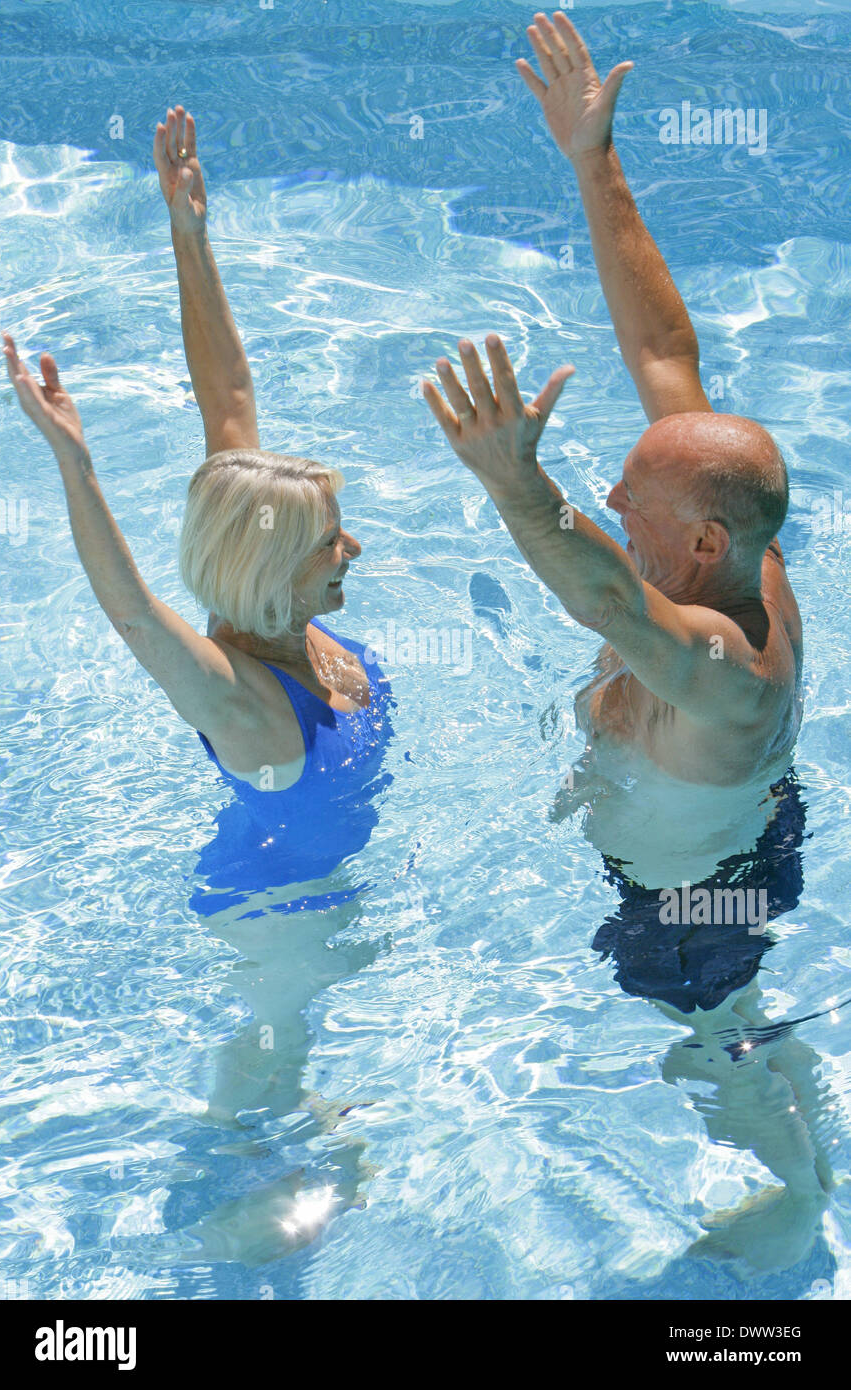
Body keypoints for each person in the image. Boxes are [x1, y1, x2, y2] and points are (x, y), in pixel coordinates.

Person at [422, 11, 825, 1270]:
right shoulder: (727, 515)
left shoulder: (718, 665)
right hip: (722, 831)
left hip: (691, 897)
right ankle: (797, 1084)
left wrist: (510, 484)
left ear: (697, 546)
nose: (609, 498)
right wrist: (590, 158)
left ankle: (797, 1187)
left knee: (707, 1037)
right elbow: (663, 350)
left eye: (628, 502)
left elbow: (601, 602)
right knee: (735, 1015)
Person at [1, 106, 393, 903]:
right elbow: (136, 614)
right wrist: (76, 465)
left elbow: (231, 400)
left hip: (336, 865)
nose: (353, 550)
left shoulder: (287, 611)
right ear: (275, 568)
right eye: (331, 541)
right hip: (278, 909)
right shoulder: (241, 700)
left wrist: (189, 233)